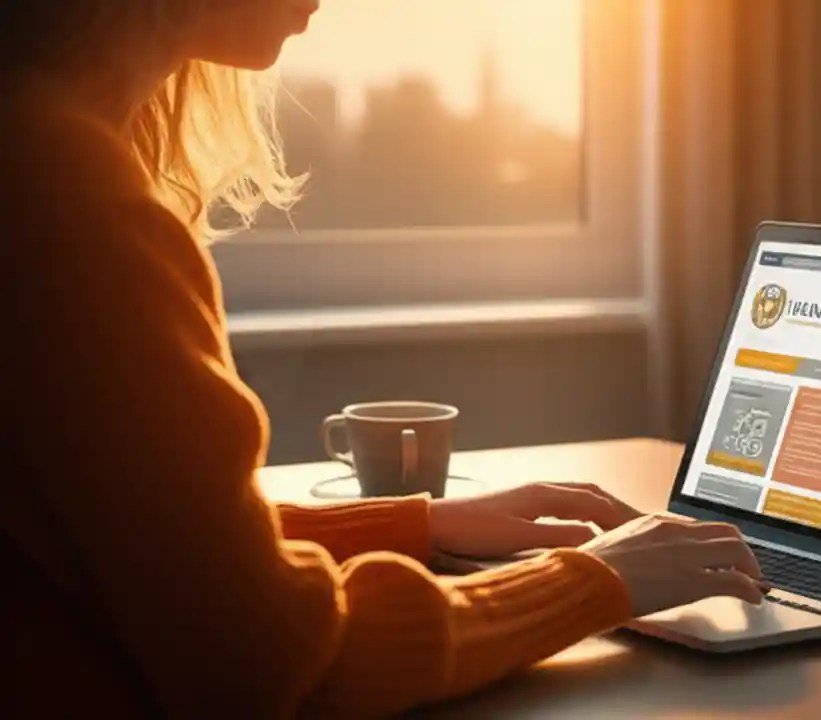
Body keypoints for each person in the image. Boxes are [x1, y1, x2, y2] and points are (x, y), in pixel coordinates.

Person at [1, 2, 767, 716]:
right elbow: (279, 667)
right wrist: (596, 580)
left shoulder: (41, 149)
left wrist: (414, 525)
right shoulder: (67, 204)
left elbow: (145, 558)